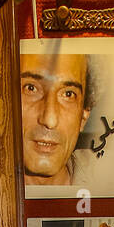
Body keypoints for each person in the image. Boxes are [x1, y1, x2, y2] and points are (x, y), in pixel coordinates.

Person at [20, 51, 94, 187]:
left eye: (68, 94)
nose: (49, 120)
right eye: (31, 88)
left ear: (83, 117)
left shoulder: (112, 175)